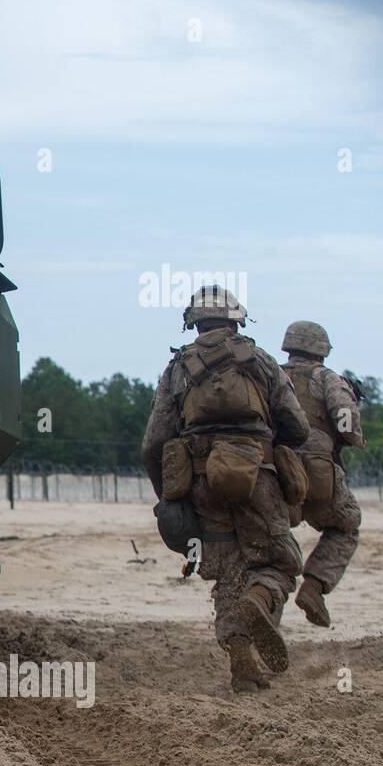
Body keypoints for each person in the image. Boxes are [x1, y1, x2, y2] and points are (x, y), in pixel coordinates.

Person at [142, 286, 309, 693]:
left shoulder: (177, 368)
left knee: (228, 572)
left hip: (201, 483)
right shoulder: (261, 361)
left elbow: (154, 441)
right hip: (258, 478)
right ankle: (261, 599)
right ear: (237, 320)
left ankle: (242, 662)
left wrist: (168, 495)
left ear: (193, 322)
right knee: (279, 561)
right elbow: (297, 426)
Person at [281, 321, 364, 627]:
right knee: (346, 524)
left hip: (272, 473)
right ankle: (314, 586)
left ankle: (265, 606)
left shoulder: (268, 374)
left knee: (268, 542)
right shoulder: (327, 379)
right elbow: (347, 425)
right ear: (321, 350)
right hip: (317, 475)